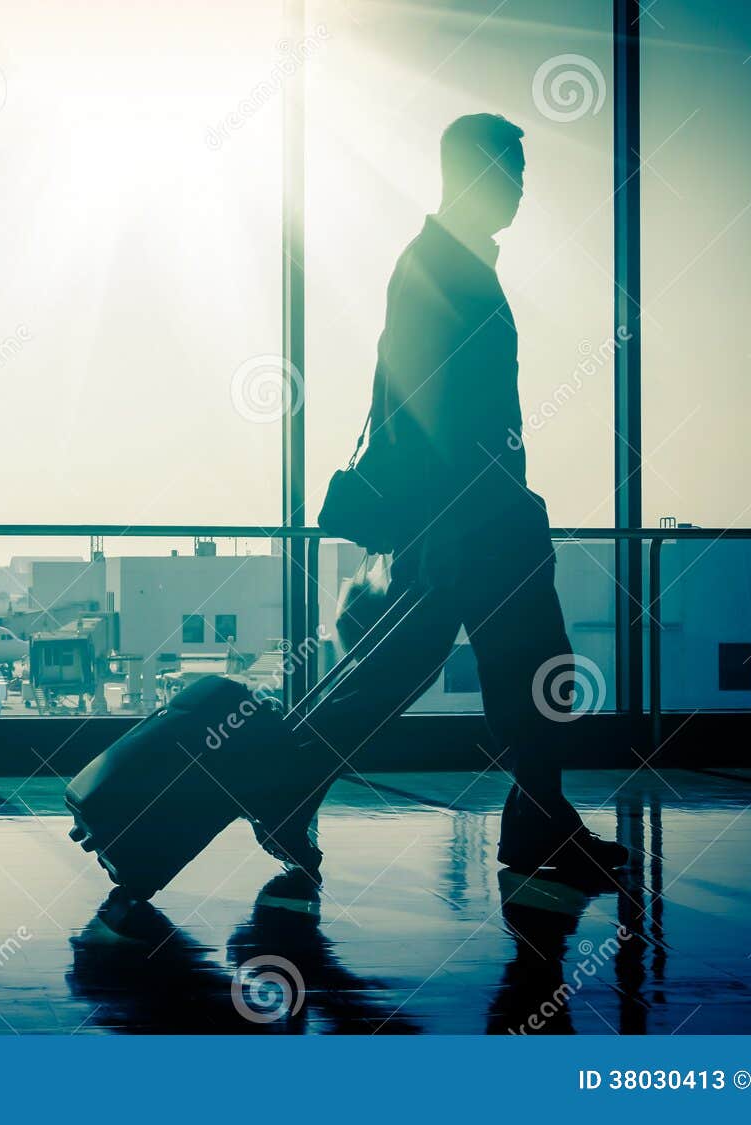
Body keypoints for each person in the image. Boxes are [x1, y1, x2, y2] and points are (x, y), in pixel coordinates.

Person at [255, 113, 629, 900]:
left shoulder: (445, 264)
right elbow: (434, 407)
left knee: (435, 667)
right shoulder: (444, 269)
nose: (521, 191)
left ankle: (297, 790)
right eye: (510, 173)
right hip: (476, 519)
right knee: (499, 667)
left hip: (478, 516)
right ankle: (530, 818)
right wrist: (455, 521)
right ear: (469, 174)